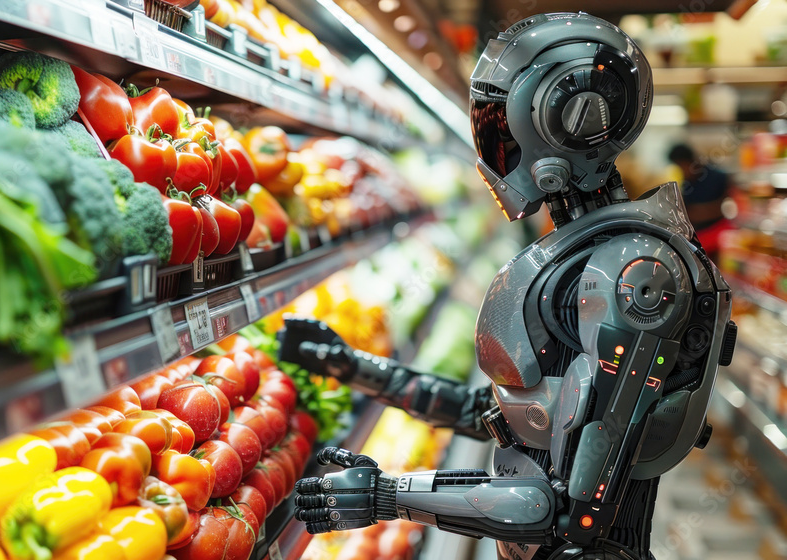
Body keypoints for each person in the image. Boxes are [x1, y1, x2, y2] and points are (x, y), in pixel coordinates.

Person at [280, 12, 738, 560]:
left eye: (499, 125)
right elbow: (522, 420)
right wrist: (356, 369)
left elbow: (569, 511)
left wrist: (387, 497)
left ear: (563, 121)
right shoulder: (596, 257)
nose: (490, 147)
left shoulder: (632, 277)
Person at [668, 143, 735, 258]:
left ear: (689, 161)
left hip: (718, 235)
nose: (681, 170)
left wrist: (697, 212)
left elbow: (727, 208)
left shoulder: (718, 177)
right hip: (698, 237)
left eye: (681, 165)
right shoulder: (686, 183)